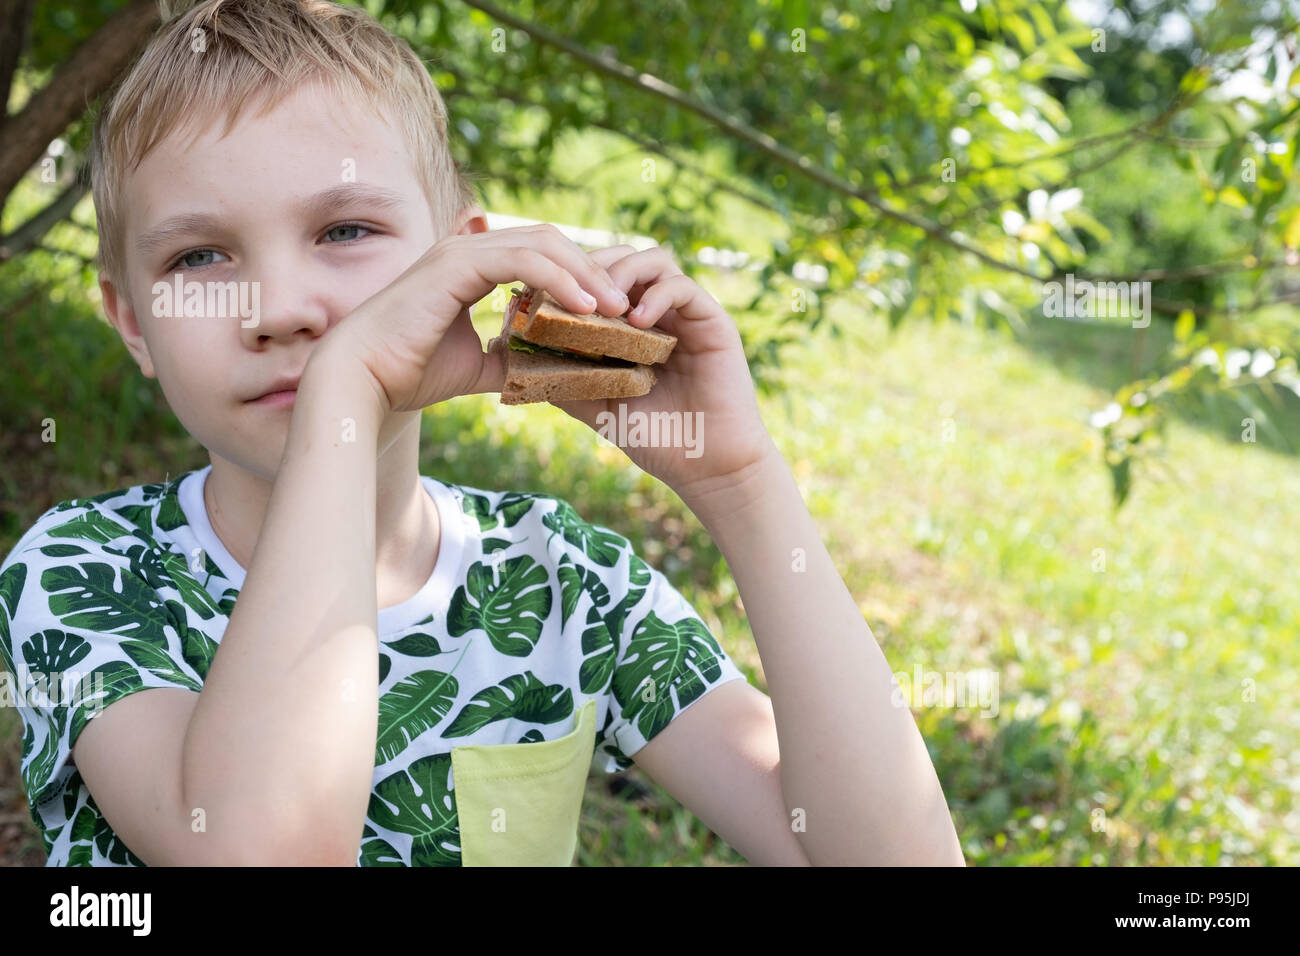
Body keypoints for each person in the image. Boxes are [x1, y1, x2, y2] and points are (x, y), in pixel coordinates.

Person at [0, 0, 964, 866]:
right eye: (199, 254)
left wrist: (742, 486)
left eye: (343, 231)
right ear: (133, 323)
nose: (283, 308)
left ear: (461, 263)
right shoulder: (86, 574)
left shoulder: (560, 580)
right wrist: (347, 388)